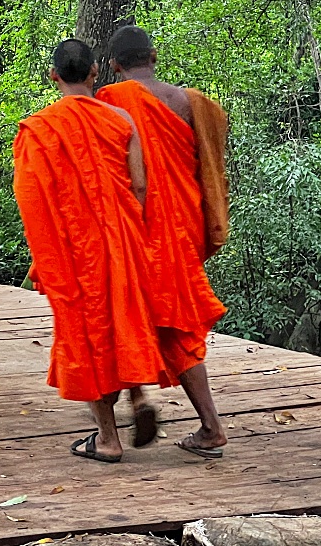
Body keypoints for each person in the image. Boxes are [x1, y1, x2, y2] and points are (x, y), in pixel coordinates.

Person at [13, 38, 166, 463]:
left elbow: (31, 198)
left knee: (88, 337)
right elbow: (139, 186)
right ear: (96, 72)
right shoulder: (120, 120)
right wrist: (128, 230)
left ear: (54, 77)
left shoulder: (38, 130)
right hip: (120, 239)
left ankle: (108, 439)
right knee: (125, 321)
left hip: (75, 249)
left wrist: (47, 254)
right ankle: (138, 397)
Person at [97, 25, 230, 459]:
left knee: (123, 317)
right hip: (182, 230)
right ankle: (209, 427)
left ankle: (130, 406)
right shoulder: (192, 103)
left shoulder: (111, 102)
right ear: (153, 56)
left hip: (136, 227)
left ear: (115, 66)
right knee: (179, 326)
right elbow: (207, 159)